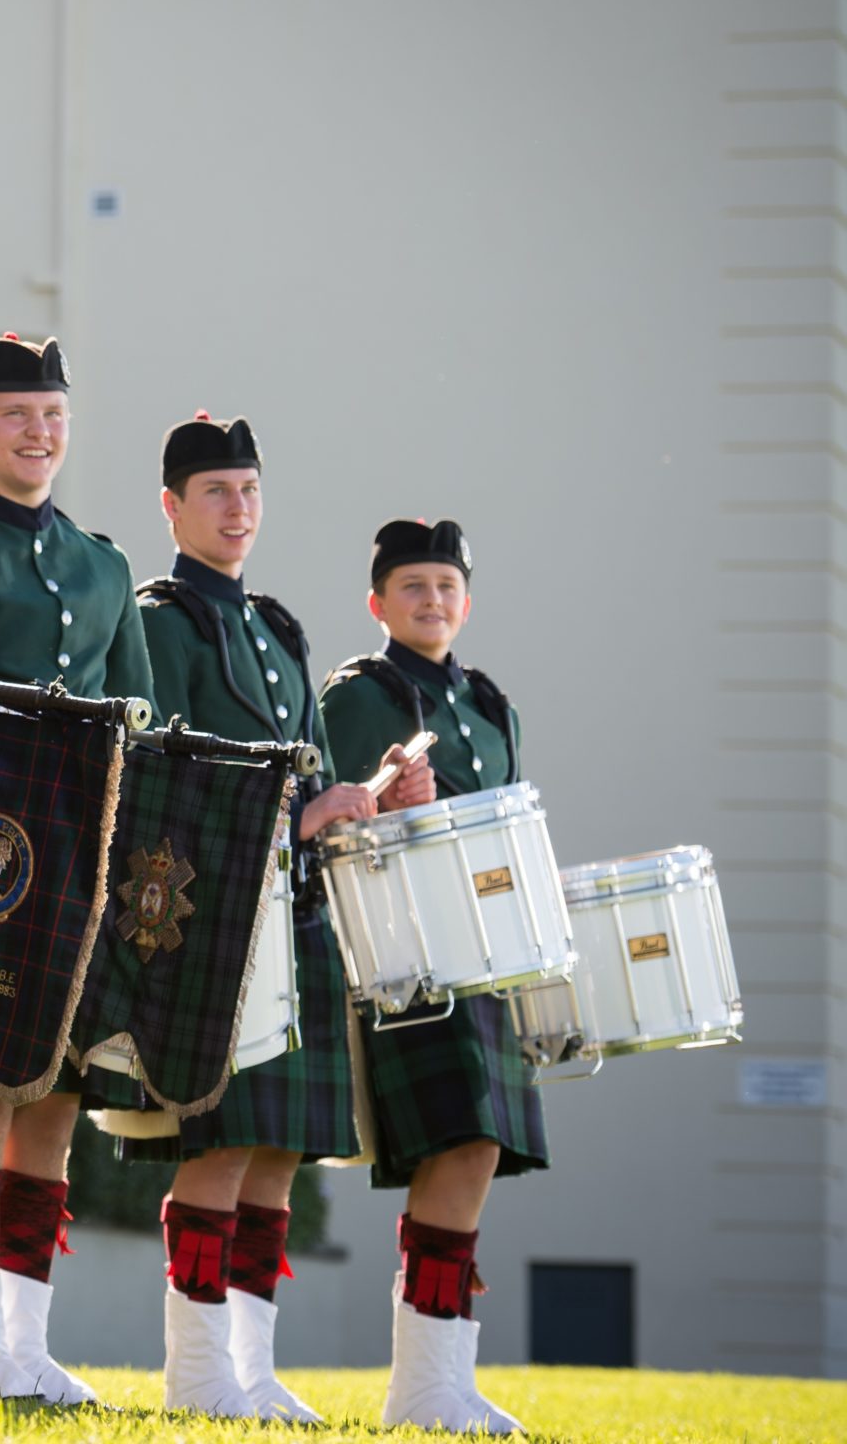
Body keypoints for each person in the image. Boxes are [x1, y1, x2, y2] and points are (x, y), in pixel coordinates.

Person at [113, 415, 431, 1418]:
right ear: (172, 507)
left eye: (248, 490)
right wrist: (301, 814)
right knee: (218, 1147)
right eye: (216, 491)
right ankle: (199, 1373)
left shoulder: (279, 630)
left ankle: (248, 1370)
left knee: (277, 1149)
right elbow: (156, 774)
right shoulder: (159, 622)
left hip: (292, 910)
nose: (237, 508)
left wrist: (369, 794)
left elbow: (311, 774)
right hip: (211, 912)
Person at [0, 333, 151, 1402]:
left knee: (55, 1102)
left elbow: (140, 717)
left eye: (51, 416)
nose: (37, 433)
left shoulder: (104, 566)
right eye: (15, 415)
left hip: (82, 864)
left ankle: (25, 1343)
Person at [321, 518, 540, 1433]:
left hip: (488, 955)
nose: (432, 601)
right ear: (378, 604)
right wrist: (384, 805)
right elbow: (332, 821)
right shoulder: (357, 697)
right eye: (413, 586)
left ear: (467, 603)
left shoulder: (490, 706)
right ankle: (422, 1387)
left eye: (446, 587)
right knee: (458, 1142)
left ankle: (438, 1379)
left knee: (477, 1150)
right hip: (408, 954)